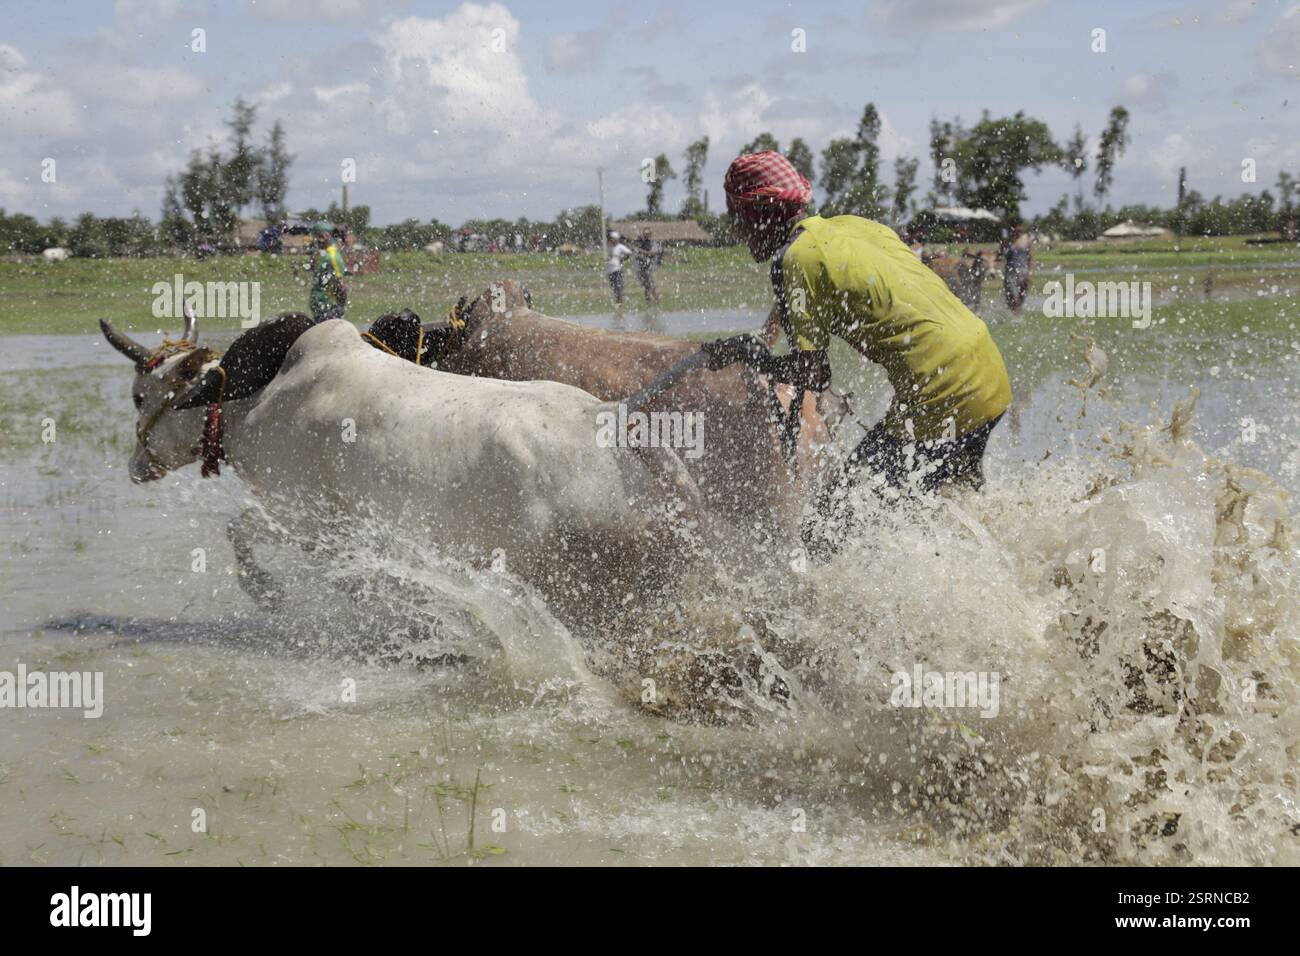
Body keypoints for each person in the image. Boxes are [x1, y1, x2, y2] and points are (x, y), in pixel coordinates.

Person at [699, 151, 1012, 547]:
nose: (739, 234)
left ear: (760, 213)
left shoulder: (791, 259)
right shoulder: (853, 227)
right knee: (949, 505)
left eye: (737, 219)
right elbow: (820, 285)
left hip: (941, 394)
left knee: (827, 528)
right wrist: (766, 336)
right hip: (988, 372)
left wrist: (752, 355)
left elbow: (813, 375)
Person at [308, 221, 349, 322]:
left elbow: (341, 286)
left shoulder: (332, 256)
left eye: (318, 236)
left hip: (328, 310)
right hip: (321, 308)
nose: (316, 240)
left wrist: (339, 308)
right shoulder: (325, 255)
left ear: (326, 235)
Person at [1002, 222, 1032, 314]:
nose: (1018, 232)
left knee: (1022, 294)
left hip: (1023, 271)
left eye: (1020, 230)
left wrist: (1031, 273)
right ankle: (1014, 313)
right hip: (1011, 271)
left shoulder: (1027, 240)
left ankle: (1017, 314)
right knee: (1011, 293)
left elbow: (1030, 257)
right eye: (1016, 230)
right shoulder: (1009, 240)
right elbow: (1003, 255)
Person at [633, 228, 663, 302]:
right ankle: (650, 301)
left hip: (649, 268)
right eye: (644, 234)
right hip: (641, 268)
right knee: (647, 286)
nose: (645, 236)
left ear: (650, 235)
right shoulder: (641, 243)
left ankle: (656, 300)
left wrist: (640, 251)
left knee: (652, 286)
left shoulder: (653, 244)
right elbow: (634, 248)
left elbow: (652, 253)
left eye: (647, 234)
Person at [606, 230, 633, 305]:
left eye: (613, 239)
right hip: (610, 271)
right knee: (614, 289)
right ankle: (617, 304)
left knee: (619, 288)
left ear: (616, 239)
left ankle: (620, 305)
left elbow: (629, 253)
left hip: (617, 270)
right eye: (611, 239)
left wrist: (622, 259)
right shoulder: (609, 247)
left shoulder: (620, 247)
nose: (612, 240)